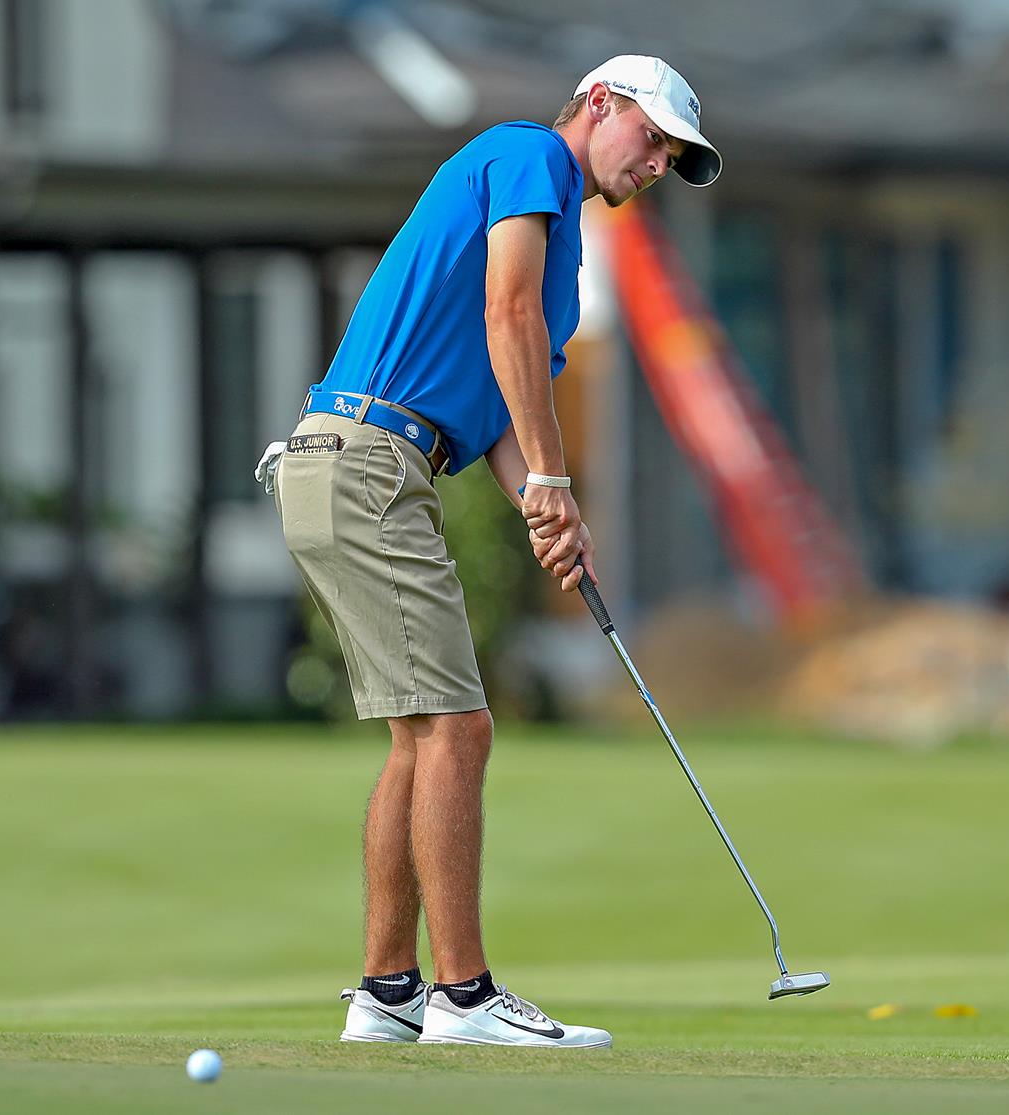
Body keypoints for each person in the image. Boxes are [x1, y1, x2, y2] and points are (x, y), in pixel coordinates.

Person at [265, 55, 720, 1048]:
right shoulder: (525, 158)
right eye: (649, 141)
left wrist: (544, 507)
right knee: (458, 731)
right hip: (366, 459)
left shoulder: (562, 253)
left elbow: (512, 394)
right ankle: (461, 996)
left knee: (421, 736)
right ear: (598, 104)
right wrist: (554, 479)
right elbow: (501, 315)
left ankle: (386, 991)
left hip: (363, 465)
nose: (652, 167)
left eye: (670, 159)